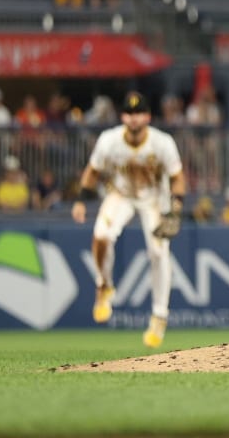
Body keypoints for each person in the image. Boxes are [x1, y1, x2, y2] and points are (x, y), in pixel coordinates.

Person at [70, 91, 187, 349]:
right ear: (123, 116)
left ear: (147, 116)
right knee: (101, 236)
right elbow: (92, 172)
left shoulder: (162, 142)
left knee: (158, 253)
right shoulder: (109, 140)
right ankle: (104, 286)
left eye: (139, 113)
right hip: (121, 194)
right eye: (129, 113)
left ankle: (159, 316)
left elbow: (177, 177)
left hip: (154, 198)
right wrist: (80, 200)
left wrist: (175, 209)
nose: (134, 118)